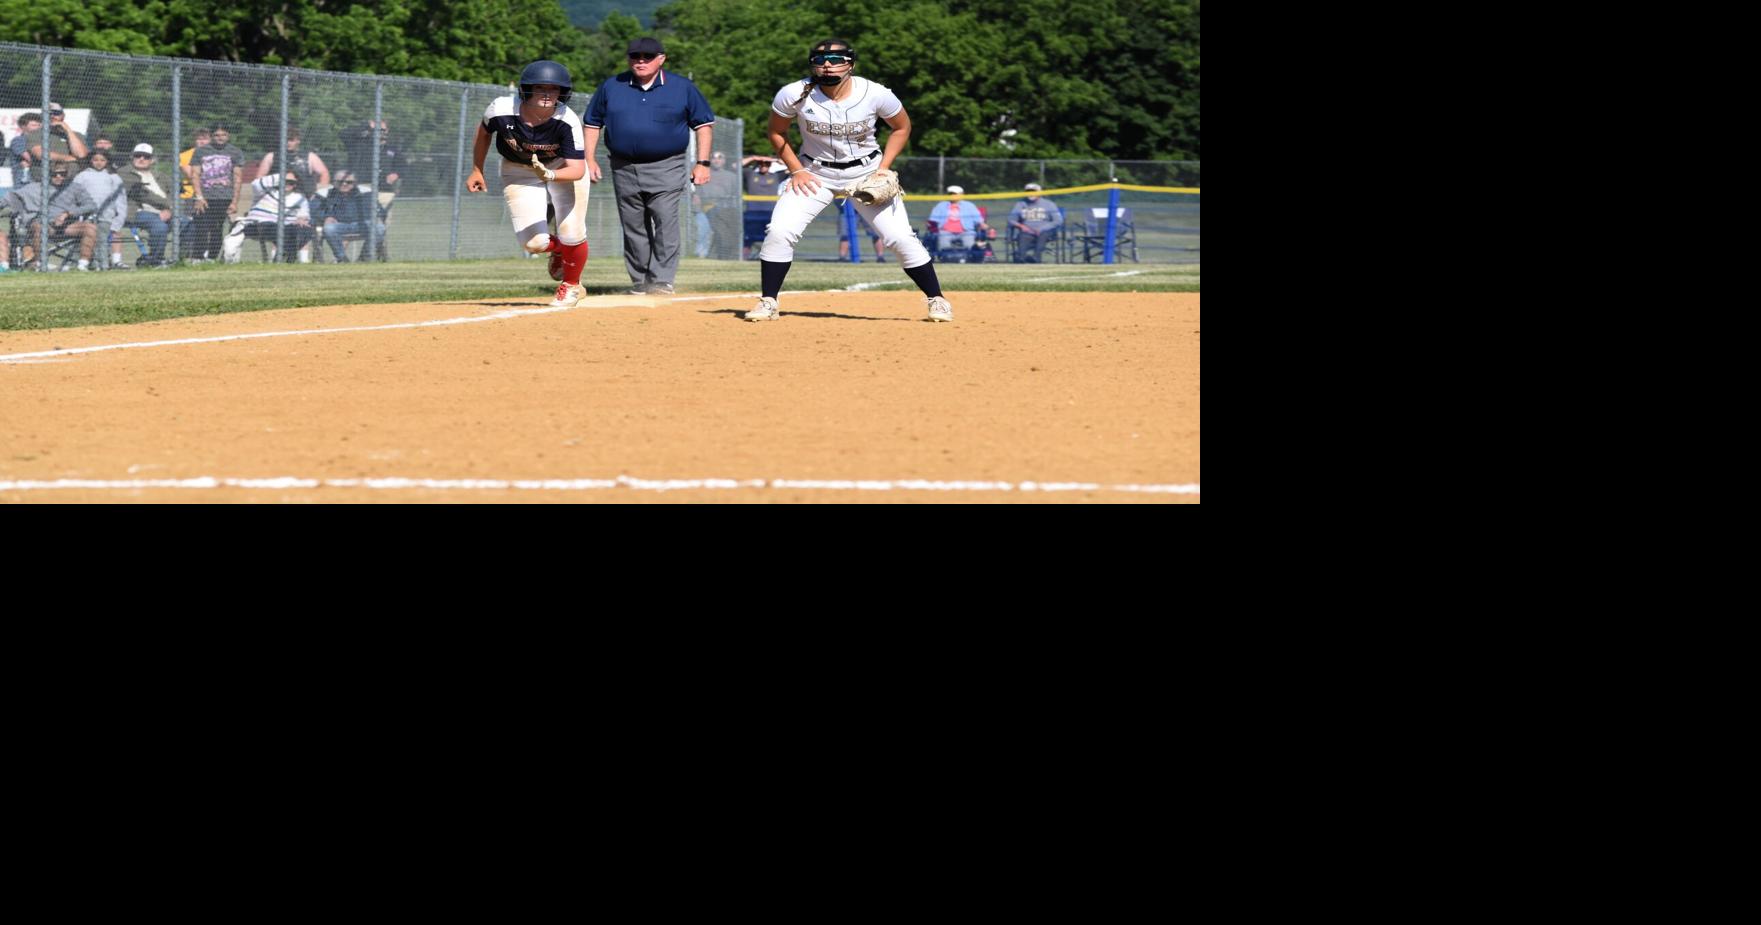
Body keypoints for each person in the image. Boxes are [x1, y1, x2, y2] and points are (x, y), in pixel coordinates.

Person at [747, 39, 951, 322]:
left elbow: (902, 127)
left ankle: (937, 300)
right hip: (814, 174)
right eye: (820, 60)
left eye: (835, 58)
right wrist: (796, 170)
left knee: (900, 237)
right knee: (780, 231)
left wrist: (884, 168)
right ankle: (768, 301)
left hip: (866, 174)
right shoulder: (793, 93)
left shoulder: (875, 93)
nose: (827, 65)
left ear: (851, 64)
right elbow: (776, 132)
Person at [582, 37, 717, 295]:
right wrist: (589, 159)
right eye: (635, 56)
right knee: (633, 225)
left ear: (661, 59)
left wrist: (703, 163)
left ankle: (662, 280)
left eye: (647, 56)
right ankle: (640, 281)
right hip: (623, 166)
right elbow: (592, 124)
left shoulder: (682, 87)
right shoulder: (612, 86)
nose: (640, 61)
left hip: (667, 164)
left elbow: (703, 125)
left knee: (665, 219)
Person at [465, 60, 591, 308]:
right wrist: (477, 169)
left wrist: (551, 175)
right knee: (534, 244)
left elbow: (576, 169)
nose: (547, 94)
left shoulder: (567, 119)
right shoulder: (501, 108)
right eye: (540, 87)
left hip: (560, 168)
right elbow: (483, 132)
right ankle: (558, 250)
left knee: (572, 232)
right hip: (518, 170)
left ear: (563, 93)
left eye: (554, 89)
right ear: (526, 90)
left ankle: (572, 285)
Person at [6, 164, 99, 270]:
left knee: (90, 228)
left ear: (67, 174)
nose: (58, 177)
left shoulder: (75, 188)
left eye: (62, 174)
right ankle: (39, 263)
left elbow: (91, 206)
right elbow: (11, 197)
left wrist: (68, 213)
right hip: (45, 226)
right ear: (47, 175)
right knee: (38, 226)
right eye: (54, 174)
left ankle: (83, 265)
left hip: (67, 226)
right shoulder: (36, 187)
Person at [223, 171, 314, 263]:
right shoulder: (264, 192)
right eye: (284, 181)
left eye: (291, 182)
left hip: (287, 227)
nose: (287, 184)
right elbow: (255, 184)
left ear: (295, 185)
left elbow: (304, 214)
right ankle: (282, 256)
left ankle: (290, 258)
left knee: (305, 230)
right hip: (259, 225)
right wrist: (280, 175)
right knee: (277, 229)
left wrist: (301, 219)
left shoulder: (300, 198)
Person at [186, 124, 246, 261]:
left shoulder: (235, 152)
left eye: (223, 135)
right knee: (201, 227)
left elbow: (238, 178)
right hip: (205, 196)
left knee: (217, 229)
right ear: (212, 137)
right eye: (217, 135)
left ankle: (212, 258)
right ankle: (197, 258)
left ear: (228, 136)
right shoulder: (201, 152)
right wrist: (199, 197)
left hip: (224, 196)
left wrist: (234, 201)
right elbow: (195, 175)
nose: (220, 138)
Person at [72, 150, 130, 269]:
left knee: (102, 240)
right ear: (90, 160)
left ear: (107, 161)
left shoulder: (113, 177)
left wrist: (118, 218)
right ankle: (88, 264)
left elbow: (120, 199)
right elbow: (74, 195)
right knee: (88, 239)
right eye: (96, 160)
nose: (99, 163)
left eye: (102, 160)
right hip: (86, 215)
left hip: (106, 215)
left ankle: (103, 266)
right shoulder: (82, 176)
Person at [123, 143, 175, 267]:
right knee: (159, 225)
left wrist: (170, 210)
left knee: (186, 223)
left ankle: (180, 258)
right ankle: (156, 261)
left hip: (165, 211)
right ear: (132, 157)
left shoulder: (160, 176)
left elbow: (175, 192)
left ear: (152, 160)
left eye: (146, 157)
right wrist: (168, 206)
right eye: (138, 156)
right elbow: (142, 194)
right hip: (137, 212)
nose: (141, 159)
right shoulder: (125, 173)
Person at [315, 170, 384, 263]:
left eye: (349, 182)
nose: (344, 184)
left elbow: (380, 210)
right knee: (329, 229)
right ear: (334, 182)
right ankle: (342, 258)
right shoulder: (326, 194)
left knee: (379, 228)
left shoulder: (366, 193)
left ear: (355, 183)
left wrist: (378, 217)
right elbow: (314, 211)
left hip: (361, 224)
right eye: (340, 182)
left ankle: (363, 258)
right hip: (339, 225)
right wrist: (326, 217)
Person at [693, 150, 739, 259]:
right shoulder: (703, 173)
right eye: (714, 157)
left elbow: (736, 195)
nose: (716, 160)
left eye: (720, 157)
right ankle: (700, 256)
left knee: (723, 233)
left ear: (724, 161)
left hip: (724, 211)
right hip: (704, 209)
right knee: (702, 230)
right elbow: (695, 191)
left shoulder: (732, 177)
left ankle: (722, 255)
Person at [259, 128, 331, 200]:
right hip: (277, 199)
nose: (287, 143)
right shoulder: (271, 156)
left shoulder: (310, 156)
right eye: (285, 140)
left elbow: (324, 173)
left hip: (304, 199)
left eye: (291, 140)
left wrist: (319, 194)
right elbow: (259, 178)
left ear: (298, 141)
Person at [926, 186, 988, 262]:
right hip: (945, 231)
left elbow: (979, 220)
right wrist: (933, 228)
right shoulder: (941, 205)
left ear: (961, 194)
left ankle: (969, 261)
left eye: (955, 193)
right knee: (944, 246)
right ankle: (946, 260)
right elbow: (932, 221)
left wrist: (983, 226)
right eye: (950, 193)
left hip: (966, 231)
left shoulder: (969, 205)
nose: (952, 195)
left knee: (970, 245)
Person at [27, 103, 89, 180]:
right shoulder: (35, 134)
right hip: (45, 180)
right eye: (48, 114)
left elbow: (81, 155)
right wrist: (68, 158)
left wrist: (67, 129)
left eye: (56, 113)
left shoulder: (76, 135)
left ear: (63, 116)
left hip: (72, 180)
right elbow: (41, 154)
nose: (52, 116)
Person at [742, 154, 786, 259]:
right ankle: (743, 258)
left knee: (772, 237)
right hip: (753, 212)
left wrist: (774, 160)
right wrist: (753, 158)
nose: (763, 165)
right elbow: (735, 166)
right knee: (748, 238)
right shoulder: (750, 174)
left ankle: (772, 259)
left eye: (766, 164)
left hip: (770, 213)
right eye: (761, 163)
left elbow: (793, 168)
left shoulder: (776, 176)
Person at [1008, 182, 1062, 263]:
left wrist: (1042, 228)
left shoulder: (1049, 204)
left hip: (1044, 231)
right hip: (1027, 231)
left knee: (1043, 235)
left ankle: (1036, 258)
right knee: (1023, 236)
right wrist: (1021, 226)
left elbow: (1058, 220)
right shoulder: (1020, 204)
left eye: (1033, 191)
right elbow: (1011, 219)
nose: (1031, 194)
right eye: (1028, 191)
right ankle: (1021, 258)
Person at [8, 112, 40, 187]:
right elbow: (31, 158)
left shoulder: (43, 141)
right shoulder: (18, 140)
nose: (38, 127)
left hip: (40, 181)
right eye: (34, 125)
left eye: (39, 125)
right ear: (23, 127)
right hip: (24, 183)